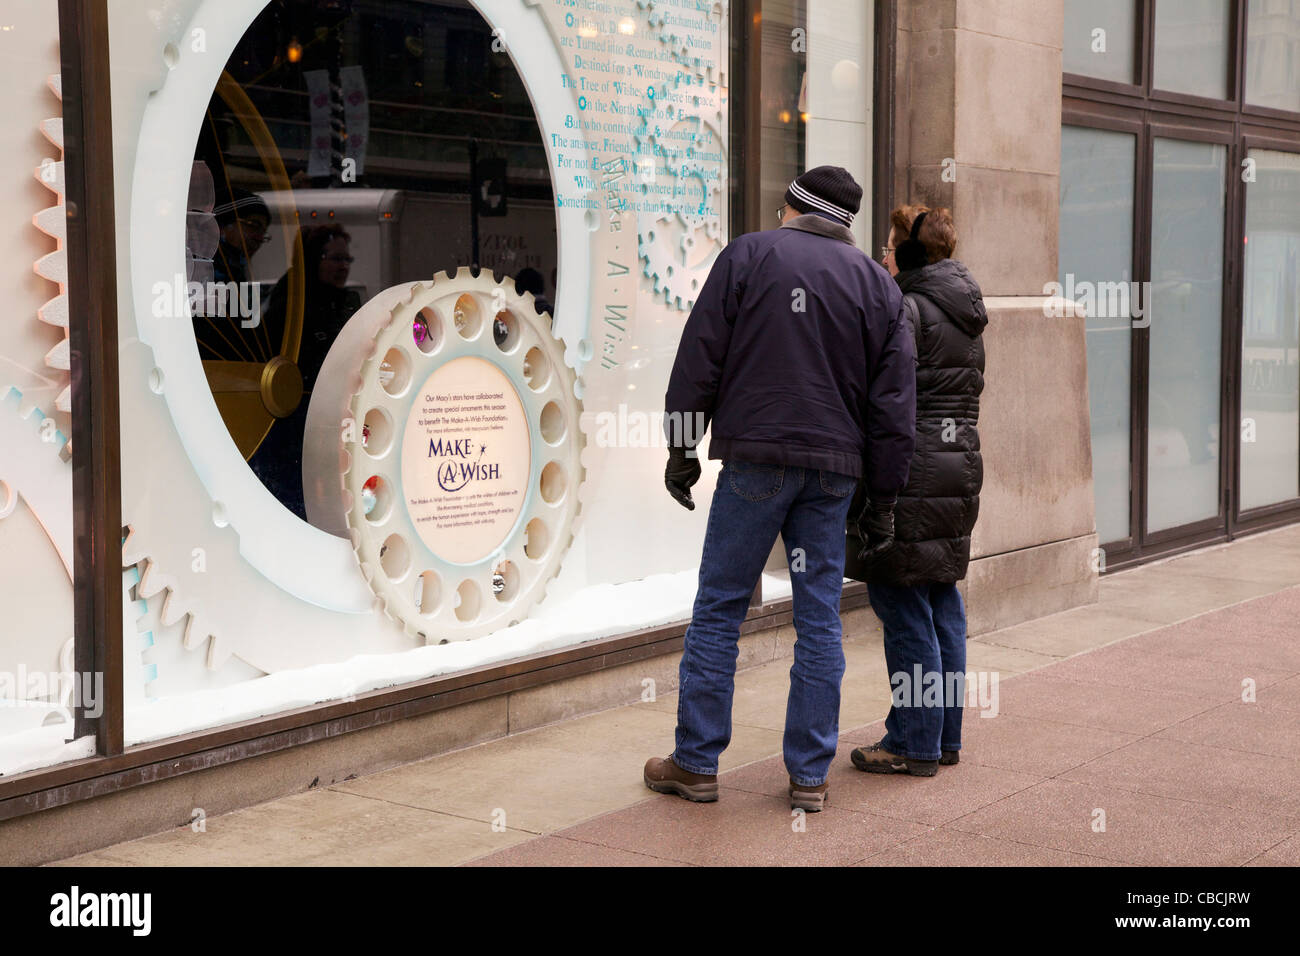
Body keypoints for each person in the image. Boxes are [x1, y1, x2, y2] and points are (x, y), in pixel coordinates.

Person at [643, 166, 917, 812]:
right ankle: (809, 777)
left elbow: (698, 358)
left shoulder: (749, 255)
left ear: (794, 208)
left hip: (755, 460)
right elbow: (894, 408)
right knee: (819, 617)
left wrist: (682, 448)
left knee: (720, 607)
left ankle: (697, 762)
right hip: (834, 472)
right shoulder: (879, 287)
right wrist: (884, 498)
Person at [844, 204, 987, 777]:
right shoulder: (967, 311)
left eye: (887, 244)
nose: (881, 253)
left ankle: (914, 744)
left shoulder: (907, 309)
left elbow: (891, 401)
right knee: (940, 603)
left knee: (902, 605)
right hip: (958, 468)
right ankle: (943, 736)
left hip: (913, 472)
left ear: (906, 254)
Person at [251, 224, 362, 518]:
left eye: (346, 260)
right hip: (295, 423)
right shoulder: (292, 303)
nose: (342, 267)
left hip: (333, 419)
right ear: (314, 260)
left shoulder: (347, 302)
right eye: (334, 258)